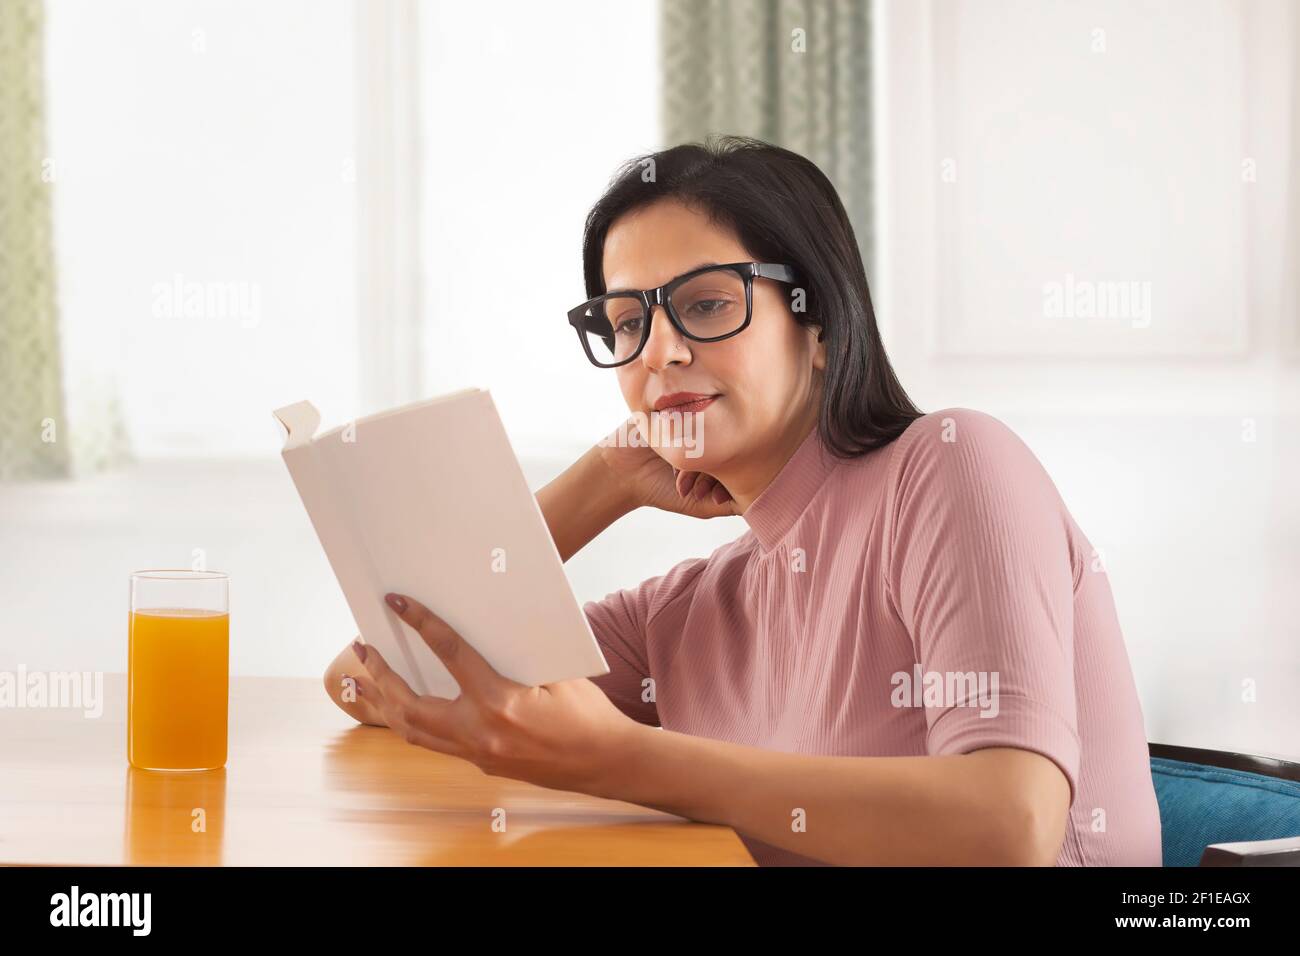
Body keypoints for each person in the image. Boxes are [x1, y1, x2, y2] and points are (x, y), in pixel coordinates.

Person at [324, 134, 1162, 866]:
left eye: (707, 304)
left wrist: (620, 759)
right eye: (625, 323)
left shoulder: (951, 466)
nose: (659, 352)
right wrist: (602, 480)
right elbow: (371, 675)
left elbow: (1009, 827)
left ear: (822, 324)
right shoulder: (690, 611)